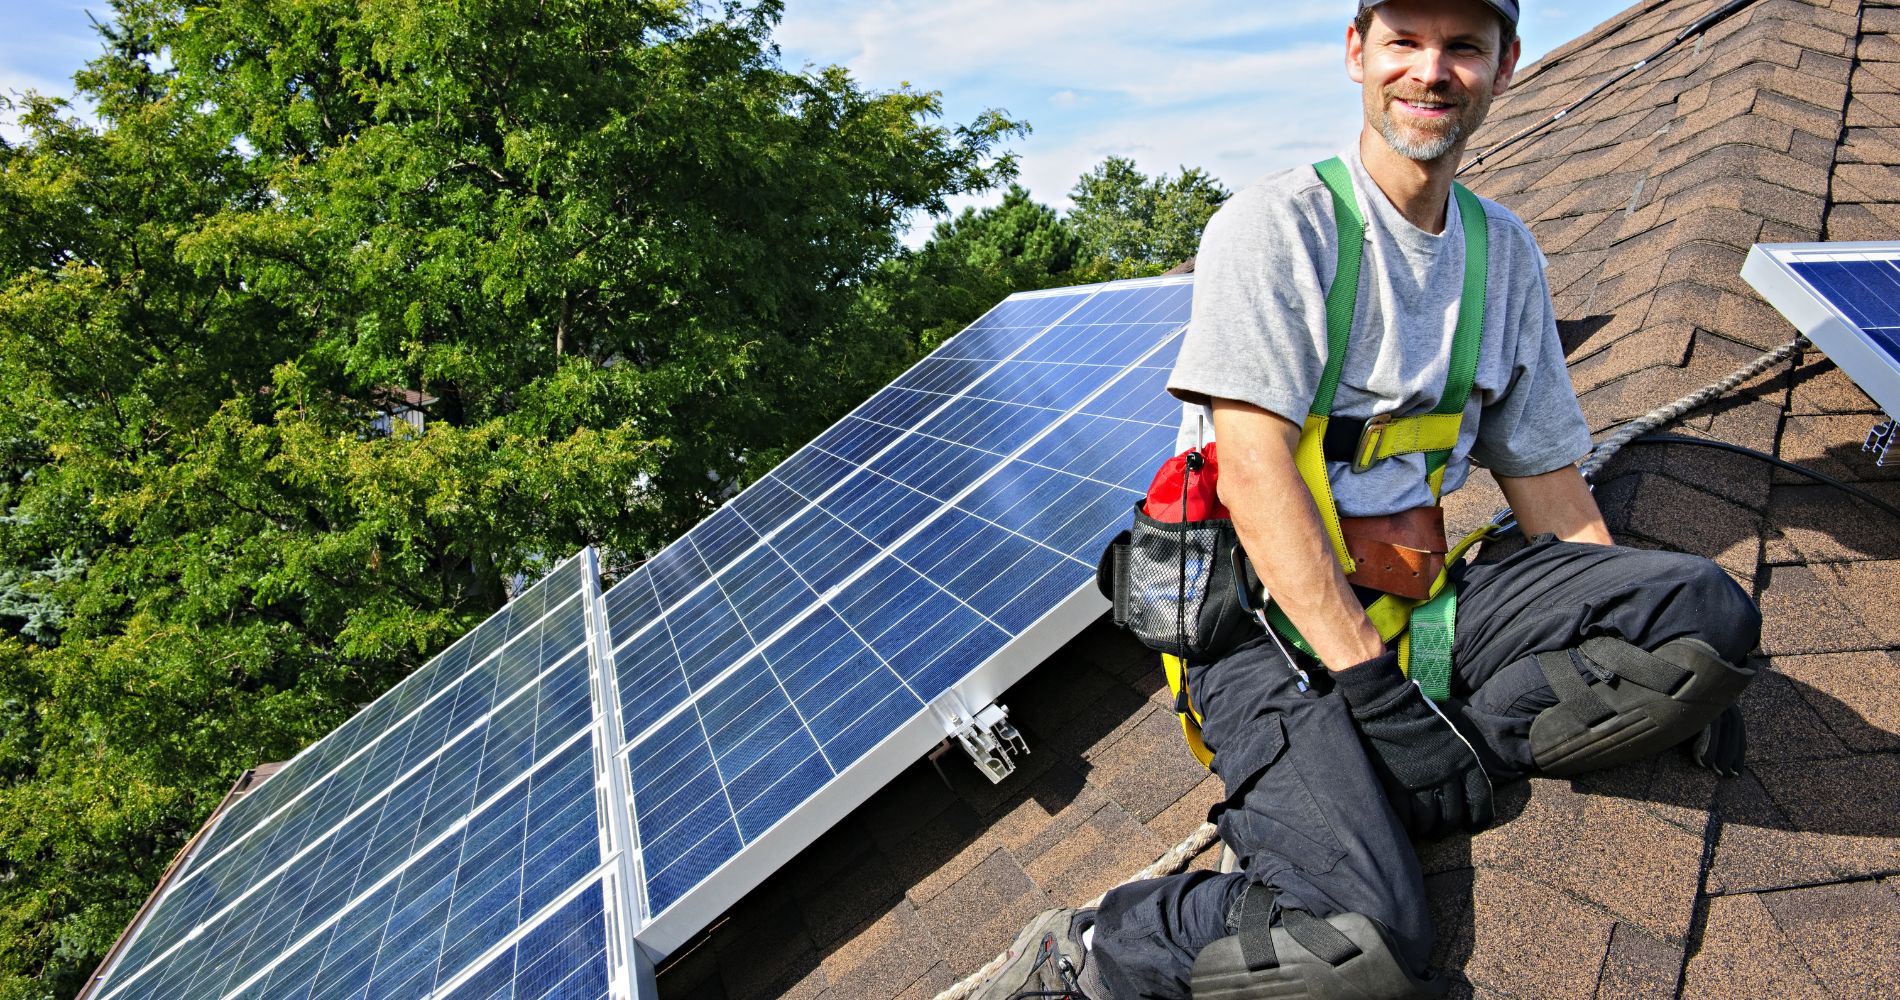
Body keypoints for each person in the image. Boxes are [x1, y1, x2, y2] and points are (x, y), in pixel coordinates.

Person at [972, 0, 1761, 997]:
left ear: (1504, 65)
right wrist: (1377, 697)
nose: (1430, 72)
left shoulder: (1502, 253)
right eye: (1404, 42)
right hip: (1262, 632)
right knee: (1355, 948)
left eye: (1463, 47)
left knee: (1708, 614)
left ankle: (1394, 768)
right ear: (1357, 52)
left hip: (1416, 606)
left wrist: (1669, 669)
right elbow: (1255, 481)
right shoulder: (1280, 229)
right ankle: (1093, 952)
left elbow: (1552, 492)